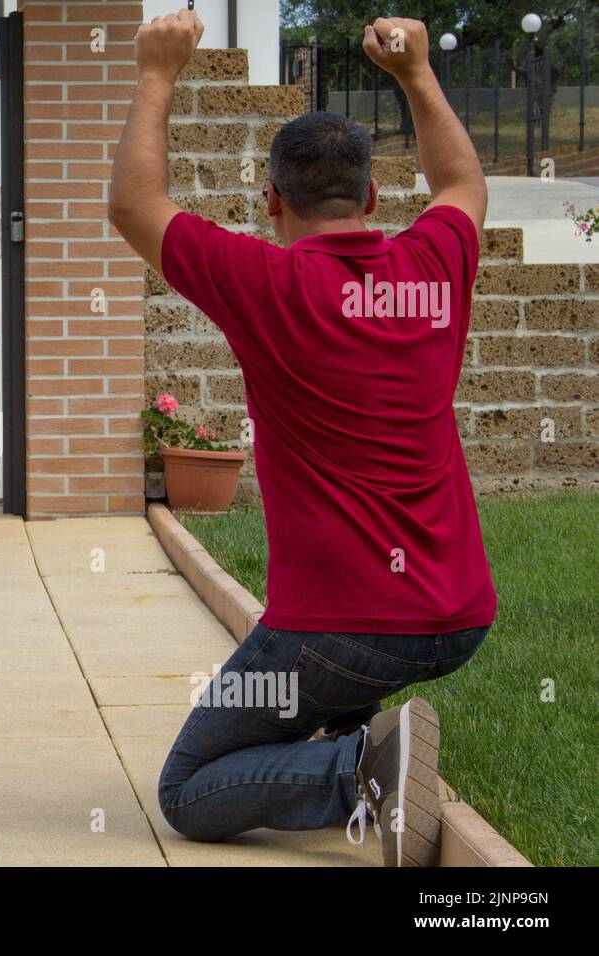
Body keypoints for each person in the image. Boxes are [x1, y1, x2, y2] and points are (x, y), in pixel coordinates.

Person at [108, 10, 496, 866]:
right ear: (372, 198)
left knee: (188, 787)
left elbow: (135, 204)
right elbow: (462, 183)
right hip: (458, 613)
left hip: (342, 625)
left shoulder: (267, 283)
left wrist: (156, 73)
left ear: (272, 202)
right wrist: (418, 74)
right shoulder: (433, 263)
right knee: (331, 683)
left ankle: (359, 770)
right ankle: (362, 738)